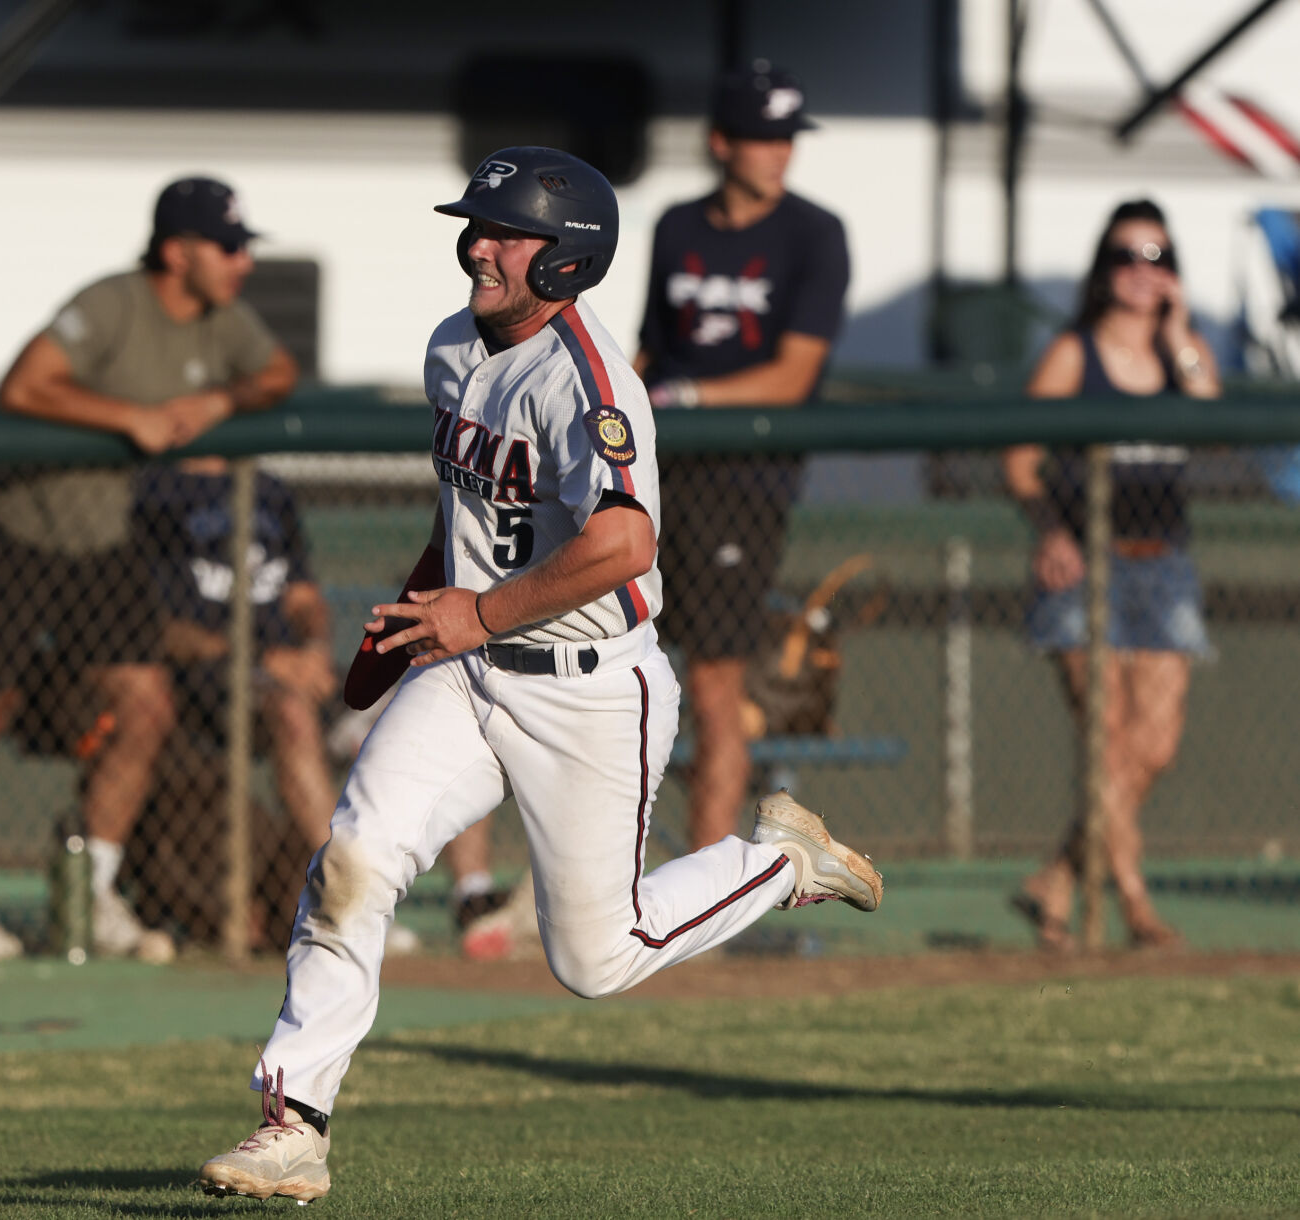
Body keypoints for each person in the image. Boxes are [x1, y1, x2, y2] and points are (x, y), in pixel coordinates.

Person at [198, 146, 882, 1204]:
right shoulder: (449, 345)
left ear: (567, 259)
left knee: (598, 958)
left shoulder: (590, 378)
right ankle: (293, 1121)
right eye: (476, 225)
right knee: (353, 858)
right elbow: (472, 513)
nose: (478, 243)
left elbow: (624, 545)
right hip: (469, 671)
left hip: (591, 684)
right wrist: (426, 604)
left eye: (506, 231)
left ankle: (778, 862)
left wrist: (473, 609)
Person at [0, 176, 297, 964]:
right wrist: (129, 418)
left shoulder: (222, 322)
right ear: (176, 251)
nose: (242, 264)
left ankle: (92, 892)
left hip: (104, 537)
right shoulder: (113, 303)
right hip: (17, 525)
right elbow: (23, 385)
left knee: (146, 706)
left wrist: (221, 402)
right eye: (227, 248)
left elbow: (279, 375)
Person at [130, 458, 507, 954]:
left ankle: (472, 895)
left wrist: (312, 649)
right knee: (290, 710)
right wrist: (265, 659)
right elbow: (157, 625)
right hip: (218, 680)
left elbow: (305, 600)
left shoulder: (268, 489)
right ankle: (348, 903)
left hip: (296, 673)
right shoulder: (153, 491)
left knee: (452, 687)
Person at [634, 61, 850, 850]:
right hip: (661, 477)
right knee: (628, 671)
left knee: (719, 682)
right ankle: (606, 873)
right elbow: (654, 352)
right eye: (762, 138)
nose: (778, 153)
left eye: (787, 138)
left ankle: (706, 881)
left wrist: (691, 401)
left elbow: (795, 376)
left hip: (743, 482)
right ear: (721, 142)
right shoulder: (677, 227)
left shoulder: (814, 234)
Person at [1004, 199, 1218, 952]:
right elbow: (1019, 457)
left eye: (1156, 258)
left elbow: (1211, 413)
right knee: (1107, 738)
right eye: (1126, 256)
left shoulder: (1180, 350)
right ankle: (1135, 903)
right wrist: (1051, 530)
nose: (1140, 271)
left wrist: (1178, 328)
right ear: (1103, 268)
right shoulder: (1072, 353)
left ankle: (1057, 880)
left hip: (1164, 565)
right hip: (1085, 566)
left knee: (1152, 745)